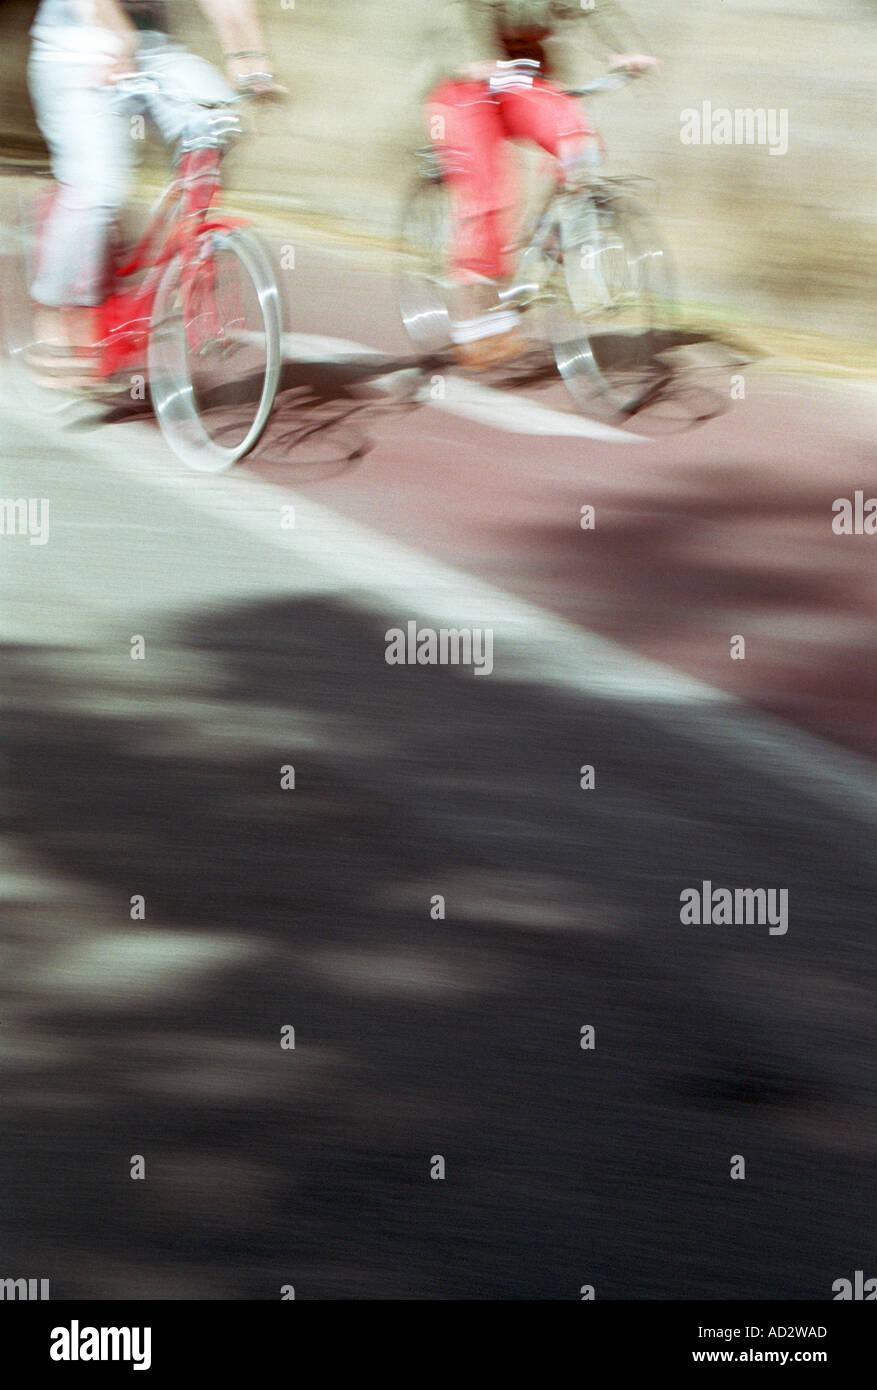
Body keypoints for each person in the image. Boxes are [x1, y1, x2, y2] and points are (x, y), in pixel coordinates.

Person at [26, 0, 282, 381]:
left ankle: (189, 250)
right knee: (99, 186)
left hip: (154, 50)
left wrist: (252, 61)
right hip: (75, 50)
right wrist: (121, 41)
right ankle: (53, 313)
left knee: (219, 119)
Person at [424, 0, 659, 370]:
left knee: (577, 138)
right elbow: (443, 25)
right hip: (465, 91)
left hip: (521, 86)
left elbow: (591, 7)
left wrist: (623, 51)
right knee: (491, 190)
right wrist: (466, 65)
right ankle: (469, 323)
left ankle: (550, 243)